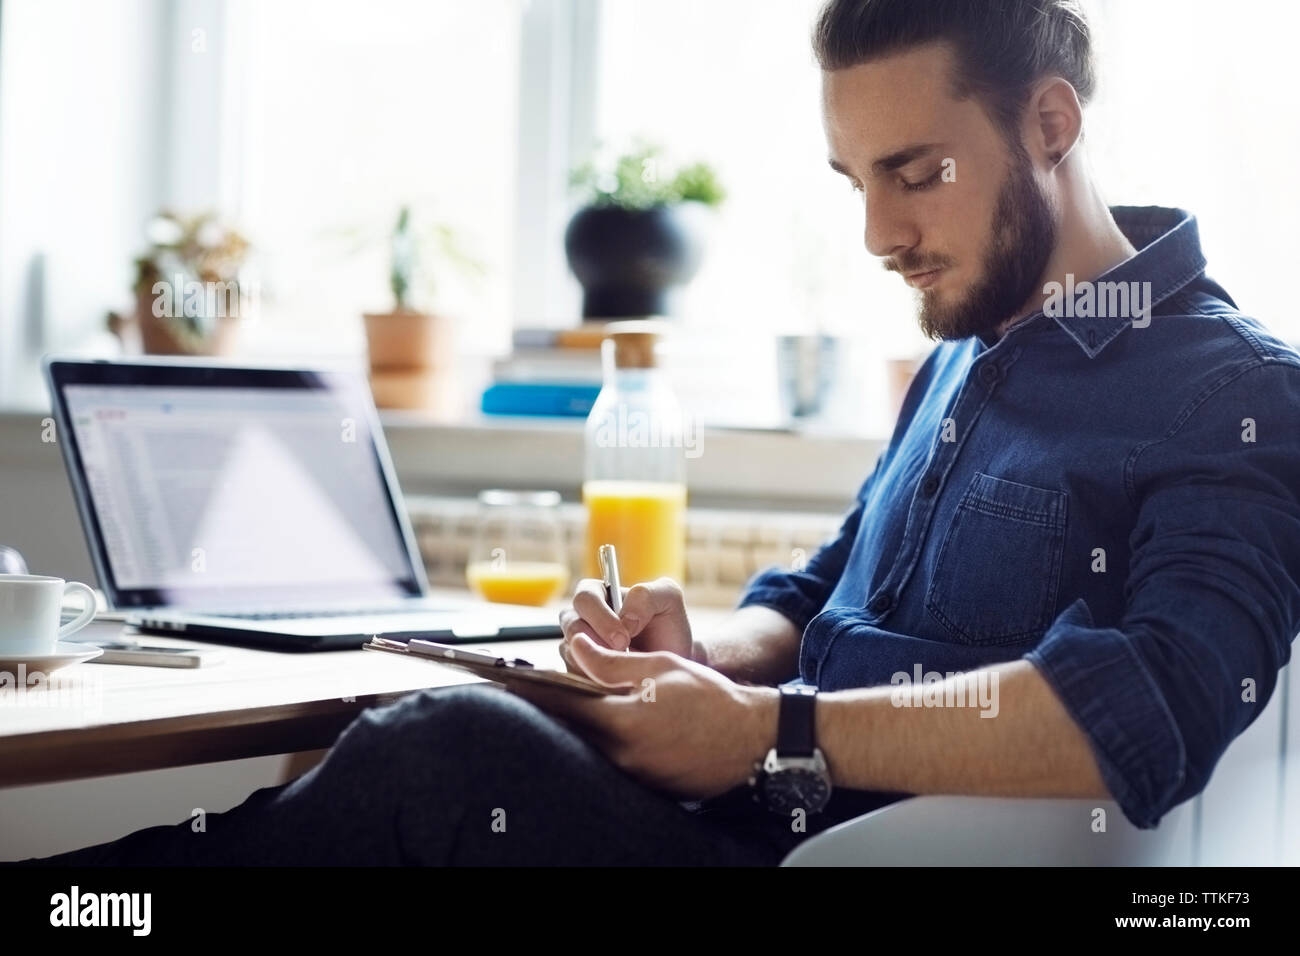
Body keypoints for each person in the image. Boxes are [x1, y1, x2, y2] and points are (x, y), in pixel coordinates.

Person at [21, 0, 1300, 866]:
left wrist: (771, 730)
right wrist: (702, 657)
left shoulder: (1233, 392)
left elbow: (1162, 701)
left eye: (917, 173)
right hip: (763, 803)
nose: (878, 234)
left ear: (1049, 124)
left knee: (441, 754)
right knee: (405, 739)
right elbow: (819, 598)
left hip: (829, 844)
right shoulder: (966, 349)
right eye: (855, 182)